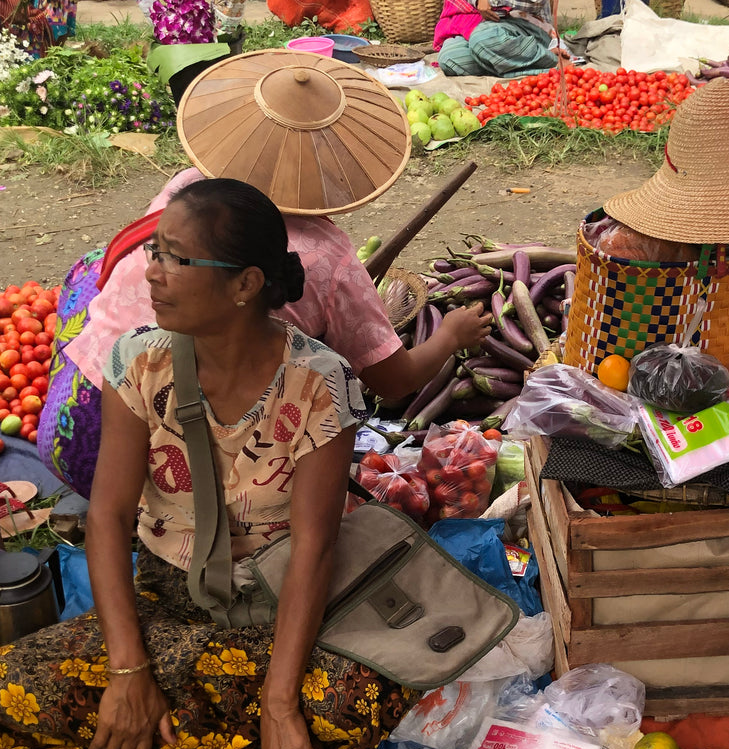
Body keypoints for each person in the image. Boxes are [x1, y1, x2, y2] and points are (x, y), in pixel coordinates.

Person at [0, 178, 418, 749]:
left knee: (355, 699)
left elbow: (314, 548)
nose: (152, 273)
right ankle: (201, 718)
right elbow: (107, 518)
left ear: (245, 284)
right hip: (166, 599)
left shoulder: (319, 384)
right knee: (12, 681)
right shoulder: (137, 364)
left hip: (279, 607)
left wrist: (280, 702)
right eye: (156, 252)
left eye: (176, 259)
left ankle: (193, 726)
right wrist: (128, 670)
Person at [38, 54, 491, 499]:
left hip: (67, 423)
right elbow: (393, 382)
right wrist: (450, 335)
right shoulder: (327, 256)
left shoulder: (188, 187)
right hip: (166, 478)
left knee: (93, 266)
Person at [437, 0, 559, 79]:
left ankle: (552, 58)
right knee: (449, 58)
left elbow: (536, 2)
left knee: (481, 38)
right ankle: (511, 63)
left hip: (528, 26)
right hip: (484, 25)